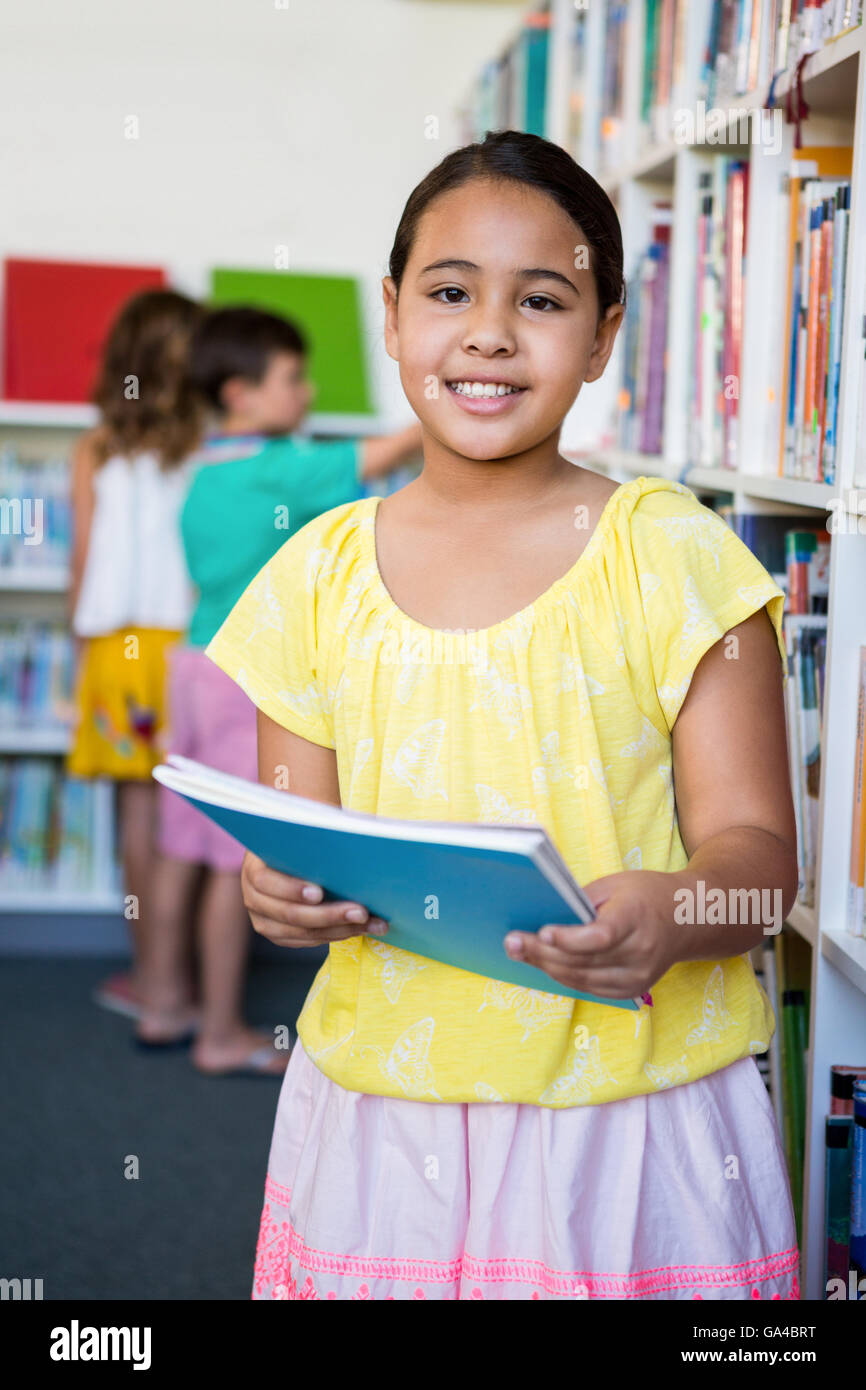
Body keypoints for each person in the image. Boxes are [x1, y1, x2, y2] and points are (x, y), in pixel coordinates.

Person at [206, 131, 800, 1296]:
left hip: (631, 1112)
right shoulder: (313, 573)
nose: (486, 331)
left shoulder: (675, 555)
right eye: (446, 292)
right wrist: (270, 891)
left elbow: (762, 866)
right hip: (381, 1109)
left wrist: (674, 911)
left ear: (603, 335)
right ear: (390, 315)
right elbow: (292, 843)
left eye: (540, 297)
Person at [139, 306, 422, 1075]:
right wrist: (448, 385)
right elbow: (401, 445)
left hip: (192, 664)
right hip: (240, 680)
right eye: (293, 378)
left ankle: (164, 1000)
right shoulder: (279, 467)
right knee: (243, 857)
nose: (308, 392)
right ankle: (222, 1032)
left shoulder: (205, 470)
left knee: (180, 849)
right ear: (240, 393)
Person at [68, 288, 205, 1021]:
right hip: (188, 651)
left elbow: (83, 564)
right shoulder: (209, 448)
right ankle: (180, 987)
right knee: (188, 825)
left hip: (116, 653)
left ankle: (155, 986)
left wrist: (78, 655)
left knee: (137, 820)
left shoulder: (94, 447)